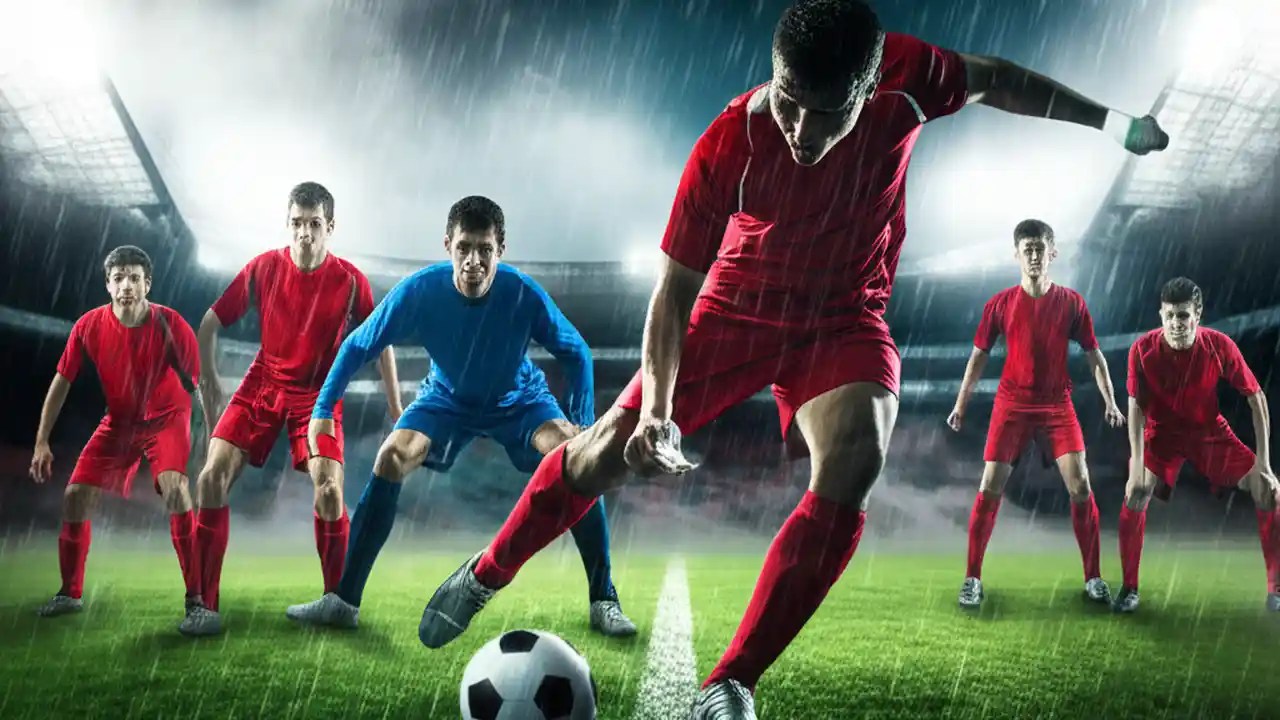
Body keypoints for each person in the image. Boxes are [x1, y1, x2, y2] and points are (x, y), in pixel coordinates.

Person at [419, 2, 1170, 717]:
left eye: (827, 110)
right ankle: (486, 573)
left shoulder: (911, 79)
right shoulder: (728, 142)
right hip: (737, 312)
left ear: (871, 87)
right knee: (598, 460)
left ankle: (729, 684)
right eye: (789, 100)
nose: (801, 129)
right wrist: (654, 415)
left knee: (855, 459)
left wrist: (1113, 122)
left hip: (845, 319)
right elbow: (673, 292)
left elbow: (1000, 78)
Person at [284, 196, 636, 637]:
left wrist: (582, 419)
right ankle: (343, 600)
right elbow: (359, 344)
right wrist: (321, 409)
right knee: (391, 455)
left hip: (519, 399)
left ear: (499, 250)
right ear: (447, 244)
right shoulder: (420, 290)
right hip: (446, 399)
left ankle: (604, 599)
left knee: (578, 460)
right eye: (464, 248)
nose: (473, 262)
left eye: (484, 250)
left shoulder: (522, 293)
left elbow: (576, 351)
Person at [180, 182, 401, 636]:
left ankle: (337, 601)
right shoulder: (263, 267)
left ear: (330, 228)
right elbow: (209, 321)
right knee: (209, 477)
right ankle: (204, 604)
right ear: (288, 224)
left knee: (330, 491)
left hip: (319, 393)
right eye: (297, 223)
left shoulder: (350, 280)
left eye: (314, 224)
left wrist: (397, 407)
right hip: (262, 382)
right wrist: (210, 379)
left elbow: (382, 343)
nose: (304, 234)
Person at [948, 219, 1123, 609]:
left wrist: (1110, 401)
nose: (1033, 255)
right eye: (1026, 248)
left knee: (1080, 486)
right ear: (1016, 254)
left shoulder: (1072, 303)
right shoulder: (999, 304)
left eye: (1040, 248)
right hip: (1011, 406)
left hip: (1057, 405)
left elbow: (1094, 355)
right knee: (989, 486)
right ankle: (972, 579)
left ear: (1052, 253)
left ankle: (1093, 577)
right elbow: (979, 356)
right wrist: (961, 404)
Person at [29, 245, 200, 623]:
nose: (126, 285)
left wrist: (214, 441)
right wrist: (42, 440)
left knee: (176, 488)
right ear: (108, 284)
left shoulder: (172, 324)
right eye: (119, 278)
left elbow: (200, 386)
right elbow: (61, 382)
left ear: (147, 284)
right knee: (74, 495)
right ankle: (69, 593)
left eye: (134, 278)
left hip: (167, 416)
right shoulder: (88, 326)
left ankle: (197, 600)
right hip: (120, 420)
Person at [1115, 277, 1279, 614]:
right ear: (1161, 315)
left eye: (1183, 316)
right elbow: (1134, 407)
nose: (1176, 324)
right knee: (1136, 491)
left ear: (1198, 314)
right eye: (1170, 316)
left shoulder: (1219, 346)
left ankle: (1276, 590)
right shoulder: (1141, 350)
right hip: (1162, 434)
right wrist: (1136, 464)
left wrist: (1265, 464)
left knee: (1269, 490)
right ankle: (1129, 589)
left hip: (1209, 433)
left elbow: (1256, 398)